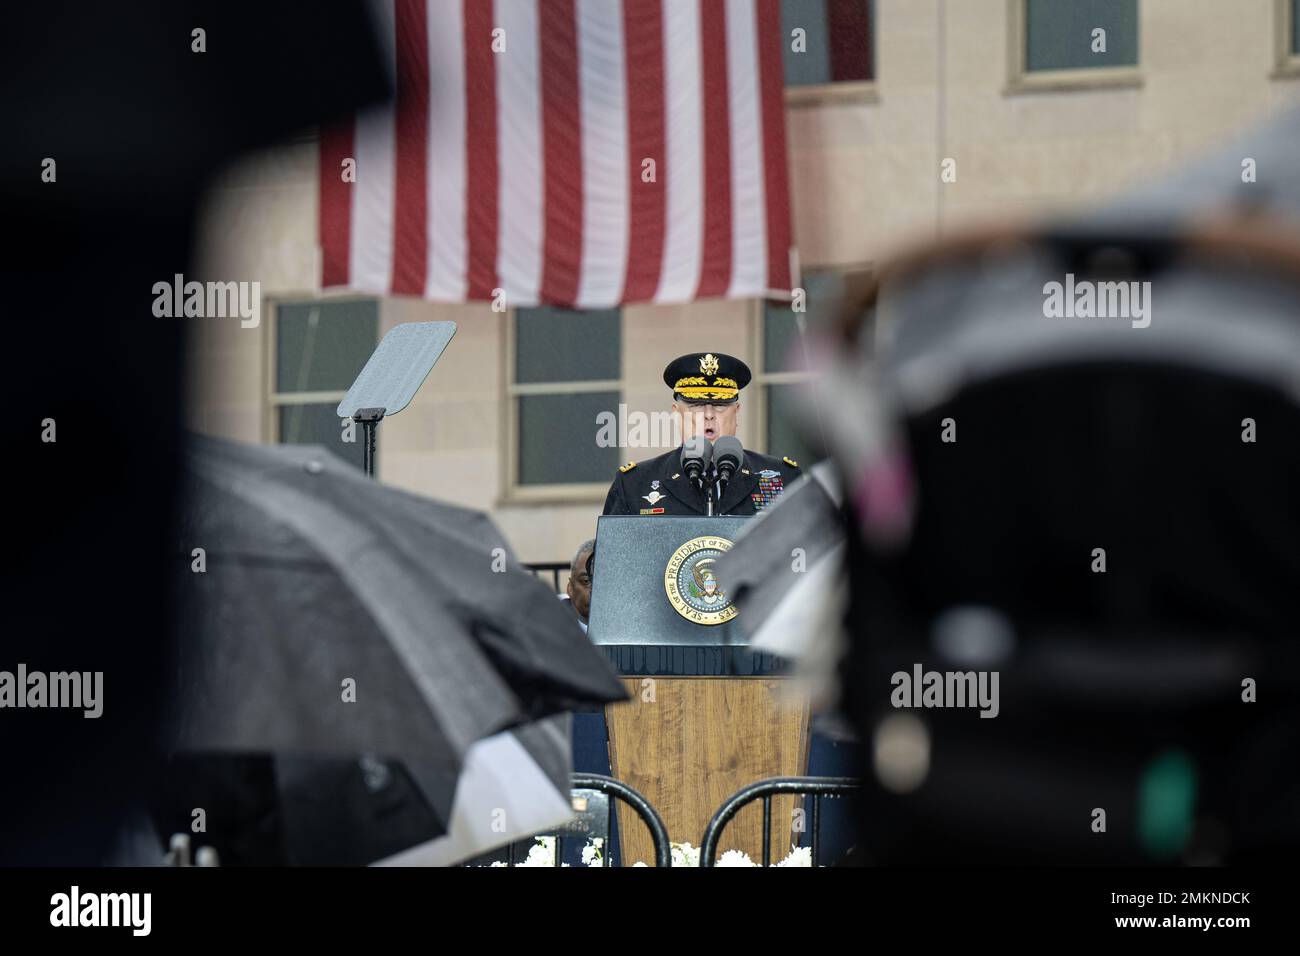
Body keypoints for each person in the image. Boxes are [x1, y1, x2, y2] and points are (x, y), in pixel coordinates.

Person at [601, 352, 802, 516]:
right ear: (676, 413)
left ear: (737, 412)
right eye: (695, 405)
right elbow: (613, 560)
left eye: (720, 405)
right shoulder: (635, 484)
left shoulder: (783, 478)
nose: (708, 415)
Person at [559, 538, 595, 632]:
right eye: (586, 581)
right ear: (570, 588)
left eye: (604, 582)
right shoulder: (550, 624)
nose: (595, 590)